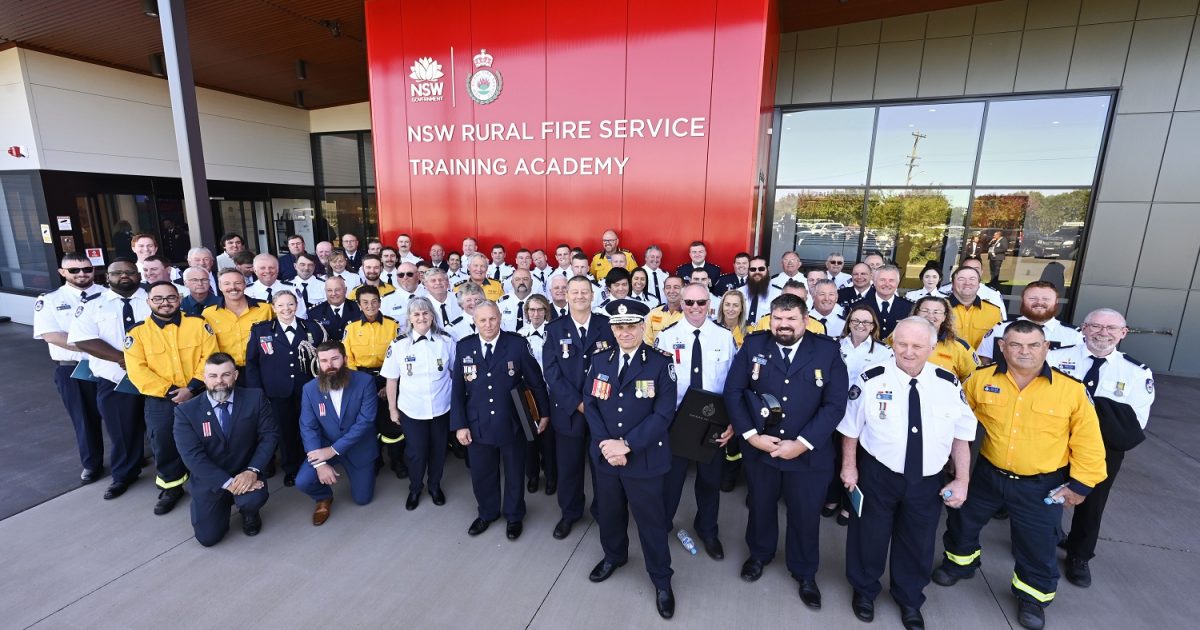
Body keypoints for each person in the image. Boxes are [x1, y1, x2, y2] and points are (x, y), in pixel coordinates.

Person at [933, 320, 1107, 630]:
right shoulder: (979, 380)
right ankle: (961, 564)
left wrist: (1081, 484)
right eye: (1015, 344)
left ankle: (1033, 597)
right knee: (962, 521)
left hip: (1042, 484)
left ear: (1046, 347)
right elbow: (953, 419)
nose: (1023, 351)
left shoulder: (1071, 390)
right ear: (1002, 347)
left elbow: (1089, 442)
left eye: (1032, 345)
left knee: (1038, 543)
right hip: (988, 474)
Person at [838, 317, 976, 629]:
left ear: (931, 347)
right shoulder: (871, 379)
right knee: (868, 536)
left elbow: (962, 435)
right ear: (892, 344)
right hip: (878, 474)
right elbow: (850, 430)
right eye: (902, 344)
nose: (908, 352)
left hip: (927, 479)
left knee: (918, 541)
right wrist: (849, 467)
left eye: (917, 345)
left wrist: (962, 478)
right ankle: (864, 590)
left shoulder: (947, 384)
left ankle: (909, 598)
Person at [724, 293, 848, 610]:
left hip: (808, 455)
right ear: (770, 319)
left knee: (805, 516)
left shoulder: (827, 350)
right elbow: (734, 391)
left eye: (791, 319)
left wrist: (802, 443)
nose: (783, 324)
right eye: (778, 318)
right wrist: (751, 437)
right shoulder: (754, 345)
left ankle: (805, 572)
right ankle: (759, 555)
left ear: (805, 320)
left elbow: (835, 404)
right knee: (761, 507)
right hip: (762, 450)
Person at [583, 299, 678, 619]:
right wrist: (607, 445)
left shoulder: (659, 363)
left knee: (651, 522)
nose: (625, 332)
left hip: (644, 458)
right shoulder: (600, 361)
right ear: (612, 329)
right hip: (607, 457)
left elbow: (664, 413)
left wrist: (626, 445)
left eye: (631, 326)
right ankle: (614, 556)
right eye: (619, 327)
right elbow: (591, 404)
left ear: (642, 327)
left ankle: (662, 580)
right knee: (609, 514)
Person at [1048, 309, 1154, 588]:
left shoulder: (1135, 372)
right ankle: (1042, 541)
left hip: (1102, 449)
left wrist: (1087, 415)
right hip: (1052, 441)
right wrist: (1103, 410)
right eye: (1095, 326)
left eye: (1111, 328)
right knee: (1044, 492)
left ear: (1123, 333)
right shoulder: (1055, 358)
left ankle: (1079, 555)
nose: (1102, 332)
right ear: (1083, 328)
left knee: (1092, 503)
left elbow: (1134, 424)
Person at [451, 301, 550, 541]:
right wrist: (460, 424)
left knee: (515, 473)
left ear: (500, 319)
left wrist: (543, 413)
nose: (488, 324)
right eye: (482, 320)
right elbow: (457, 390)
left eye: (492, 319)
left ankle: (514, 516)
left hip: (513, 423)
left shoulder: (516, 344)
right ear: (475, 322)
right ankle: (487, 513)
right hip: (477, 424)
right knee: (482, 474)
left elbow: (536, 381)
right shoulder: (465, 347)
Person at [655, 283, 737, 561]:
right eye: (689, 302)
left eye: (701, 303)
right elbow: (659, 382)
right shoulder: (668, 336)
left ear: (710, 305)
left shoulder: (724, 337)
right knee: (671, 481)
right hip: (677, 421)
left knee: (710, 481)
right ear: (681, 303)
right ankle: (661, 525)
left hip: (714, 422)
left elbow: (734, 385)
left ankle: (708, 530)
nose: (695, 308)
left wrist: (732, 424)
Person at [125, 280, 219, 515]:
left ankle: (208, 480)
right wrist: (171, 392)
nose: (165, 303)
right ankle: (172, 487)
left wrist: (192, 387)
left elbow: (211, 357)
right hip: (160, 400)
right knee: (164, 443)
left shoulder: (199, 324)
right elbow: (137, 370)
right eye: (158, 299)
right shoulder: (137, 333)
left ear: (179, 299)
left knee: (208, 440)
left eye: (170, 298)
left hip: (199, 394)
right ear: (148, 302)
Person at [173, 353, 278, 545]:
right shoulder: (186, 411)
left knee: (252, 499)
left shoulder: (255, 398)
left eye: (225, 375)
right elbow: (193, 457)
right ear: (204, 378)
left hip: (246, 472)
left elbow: (269, 436)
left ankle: (249, 513)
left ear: (235, 376)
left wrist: (252, 470)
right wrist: (229, 483)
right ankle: (221, 502)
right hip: (210, 479)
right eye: (213, 376)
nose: (219, 381)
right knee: (208, 538)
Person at [68, 259, 149, 501]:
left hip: (155, 376)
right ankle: (124, 475)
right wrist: (123, 357)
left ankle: (171, 472)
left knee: (160, 428)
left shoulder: (152, 299)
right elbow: (83, 339)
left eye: (130, 272)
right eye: (117, 273)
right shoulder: (94, 305)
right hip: (115, 378)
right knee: (121, 430)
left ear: (138, 275)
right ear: (107, 277)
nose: (124, 276)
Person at [541, 276, 615, 539]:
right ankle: (570, 513)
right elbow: (551, 373)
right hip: (568, 412)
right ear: (566, 296)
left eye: (585, 292)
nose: (580, 296)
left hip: (602, 411)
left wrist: (593, 403)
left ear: (592, 296)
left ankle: (601, 511)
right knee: (569, 468)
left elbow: (614, 366)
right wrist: (578, 403)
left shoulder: (606, 326)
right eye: (575, 292)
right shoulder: (554, 329)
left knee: (601, 466)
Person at [33, 253, 105, 484]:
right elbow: (51, 335)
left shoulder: (108, 295)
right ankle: (92, 464)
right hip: (74, 368)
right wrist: (91, 345)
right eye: (74, 270)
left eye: (87, 269)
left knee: (121, 416)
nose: (82, 274)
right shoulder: (50, 300)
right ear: (62, 272)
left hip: (109, 365)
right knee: (84, 419)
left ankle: (131, 457)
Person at [244, 290, 327, 487]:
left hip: (307, 390)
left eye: (290, 304)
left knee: (309, 428)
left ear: (296, 306)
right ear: (273, 307)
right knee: (285, 431)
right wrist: (258, 393)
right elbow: (252, 363)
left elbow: (322, 359)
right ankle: (292, 469)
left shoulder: (312, 328)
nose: (286, 309)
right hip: (276, 392)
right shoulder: (261, 331)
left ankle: (315, 463)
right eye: (280, 305)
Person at [383, 298, 456, 510]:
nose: (421, 318)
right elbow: (391, 379)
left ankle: (434, 486)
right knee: (416, 452)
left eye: (425, 313)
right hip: (412, 410)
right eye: (416, 315)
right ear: (410, 318)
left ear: (432, 315)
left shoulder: (446, 341)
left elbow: (455, 373)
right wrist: (392, 409)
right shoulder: (398, 345)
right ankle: (415, 488)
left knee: (438, 450)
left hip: (442, 408)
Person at [296, 342, 380, 525]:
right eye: (324, 361)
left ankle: (363, 471)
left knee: (363, 499)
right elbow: (308, 427)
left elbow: (365, 421)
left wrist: (333, 450)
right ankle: (324, 497)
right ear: (318, 363)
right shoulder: (310, 389)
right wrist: (319, 465)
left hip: (358, 447)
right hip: (325, 447)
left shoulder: (365, 382)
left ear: (345, 359)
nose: (330, 365)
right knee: (303, 481)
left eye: (335, 359)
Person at [342, 285, 405, 478]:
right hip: (361, 380)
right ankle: (374, 460)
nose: (370, 306)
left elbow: (400, 356)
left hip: (387, 378)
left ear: (380, 302)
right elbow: (347, 358)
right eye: (365, 302)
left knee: (393, 421)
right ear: (359, 305)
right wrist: (356, 385)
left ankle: (397, 461)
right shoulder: (351, 328)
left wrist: (389, 384)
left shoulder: (392, 325)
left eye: (374, 301)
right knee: (367, 422)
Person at [979, 281, 1083, 365]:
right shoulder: (1001, 329)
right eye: (1033, 298)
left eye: (1046, 299)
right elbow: (984, 362)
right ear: (1022, 301)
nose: (1039, 302)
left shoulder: (1074, 336)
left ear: (1056, 302)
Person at [518, 294, 555, 495]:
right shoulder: (519, 335)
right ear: (527, 313)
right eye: (532, 310)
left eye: (540, 309)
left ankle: (550, 475)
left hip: (550, 392)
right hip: (529, 394)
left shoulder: (554, 333)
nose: (536, 313)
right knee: (530, 437)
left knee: (549, 439)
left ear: (546, 311)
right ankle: (532, 475)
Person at [203, 269, 275, 374]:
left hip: (261, 369)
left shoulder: (265, 309)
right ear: (220, 287)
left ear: (245, 285)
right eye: (227, 283)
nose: (233, 287)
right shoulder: (208, 313)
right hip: (226, 372)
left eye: (238, 283)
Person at [912, 296, 978, 381]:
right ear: (917, 313)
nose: (930, 316)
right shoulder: (897, 339)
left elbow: (974, 381)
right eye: (925, 311)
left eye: (937, 312)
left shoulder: (960, 348)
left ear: (944, 316)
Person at [947, 266, 1004, 351]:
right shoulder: (939, 308)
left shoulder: (994, 311)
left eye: (972, 279)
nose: (967, 283)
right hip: (945, 362)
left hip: (981, 363)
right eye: (961, 279)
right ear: (952, 284)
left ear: (979, 284)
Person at [839, 303, 895, 385]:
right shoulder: (836, 345)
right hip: (836, 396)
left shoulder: (884, 352)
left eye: (866, 322)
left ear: (872, 326)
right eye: (855, 321)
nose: (860, 325)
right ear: (849, 324)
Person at [857, 264, 912, 339]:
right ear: (874, 282)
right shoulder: (859, 306)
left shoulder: (909, 307)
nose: (887, 284)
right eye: (882, 280)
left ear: (898, 283)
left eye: (891, 280)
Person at [245, 253, 308, 318]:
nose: (267, 271)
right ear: (255, 270)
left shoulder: (292, 289)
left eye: (271, 267)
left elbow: (301, 315)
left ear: (278, 269)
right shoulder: (246, 292)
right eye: (262, 268)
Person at [940, 257, 1007, 316]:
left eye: (976, 269)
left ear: (981, 272)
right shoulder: (943, 291)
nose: (971, 272)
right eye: (967, 268)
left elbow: (1001, 323)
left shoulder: (993, 295)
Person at [307, 276, 360, 342]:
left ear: (345, 290)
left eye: (337, 290)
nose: (334, 293)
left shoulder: (358, 308)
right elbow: (311, 339)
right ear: (325, 291)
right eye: (329, 290)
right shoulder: (314, 313)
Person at [644, 276, 685, 345]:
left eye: (676, 287)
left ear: (684, 290)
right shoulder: (653, 313)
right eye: (668, 287)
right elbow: (647, 342)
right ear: (663, 290)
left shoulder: (689, 314)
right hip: (656, 354)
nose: (672, 291)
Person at [741, 255, 781, 324]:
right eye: (753, 269)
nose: (757, 272)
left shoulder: (779, 294)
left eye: (761, 269)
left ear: (768, 269)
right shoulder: (739, 293)